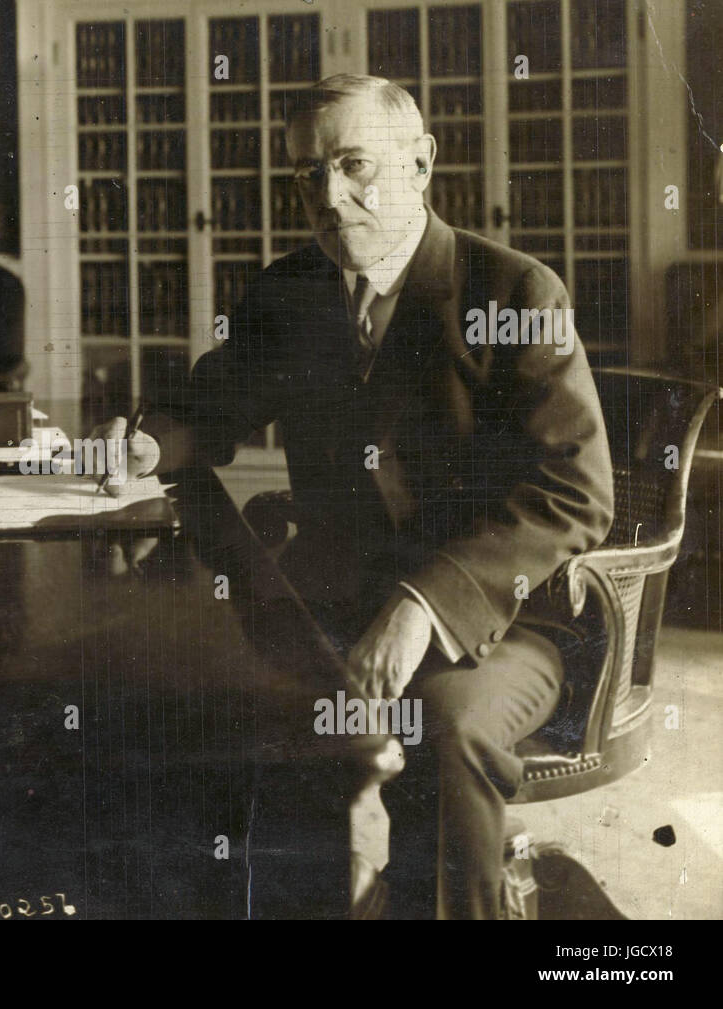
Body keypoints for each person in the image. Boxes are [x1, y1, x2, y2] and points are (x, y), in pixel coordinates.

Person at [92, 74, 614, 919]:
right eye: (307, 176)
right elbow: (208, 410)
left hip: (506, 624)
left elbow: (577, 490)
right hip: (337, 601)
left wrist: (421, 603)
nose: (330, 198)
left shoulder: (514, 293)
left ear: (420, 162)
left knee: (446, 729)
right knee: (193, 697)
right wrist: (152, 443)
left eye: (354, 165)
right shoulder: (291, 292)